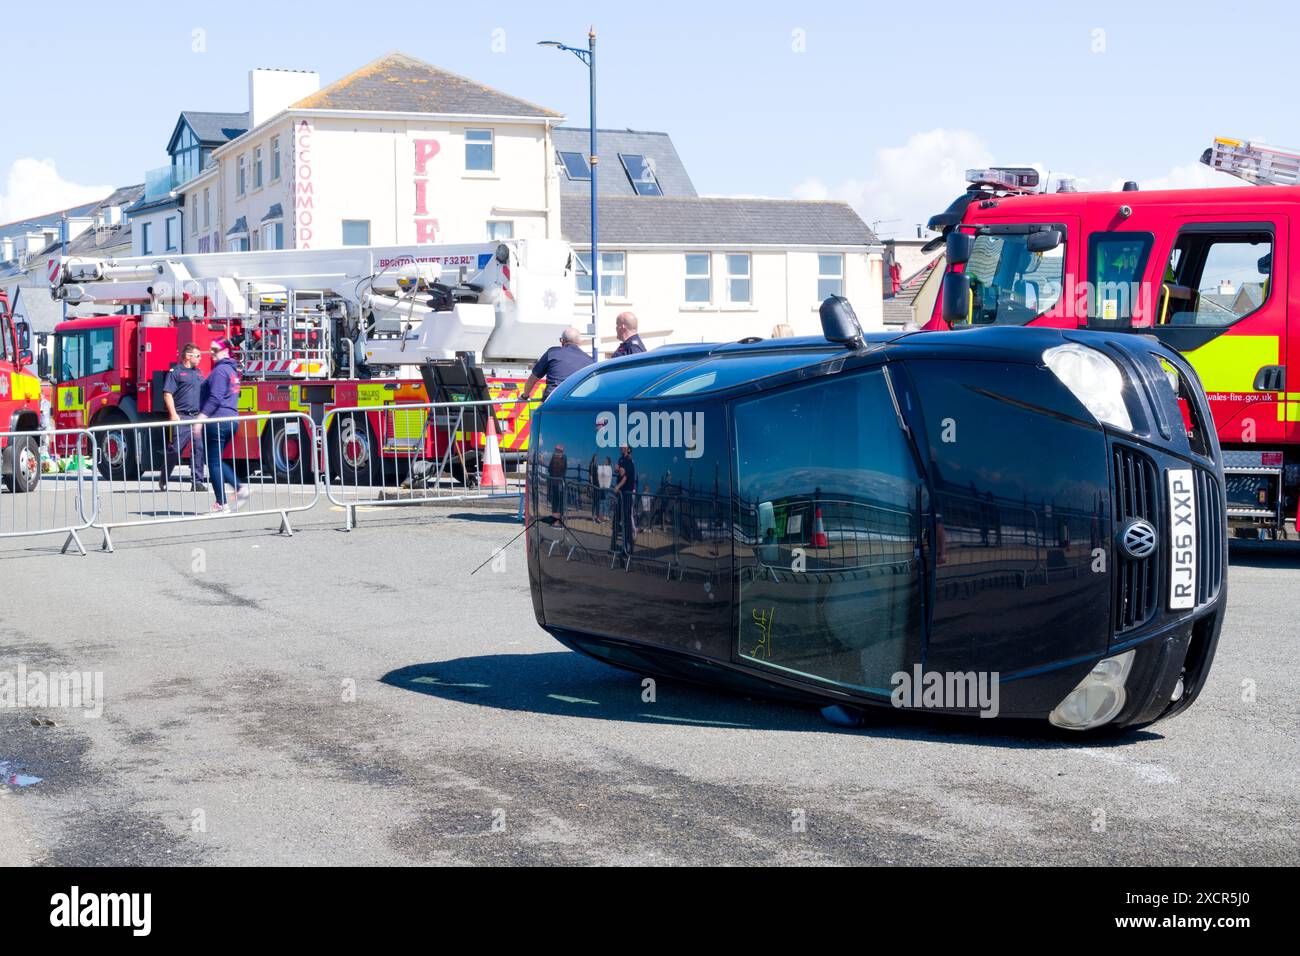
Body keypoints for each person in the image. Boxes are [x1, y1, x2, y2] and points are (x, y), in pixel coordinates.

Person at [198, 338, 249, 513]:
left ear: (225, 351)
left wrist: (201, 417)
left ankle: (224, 500)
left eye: (215, 350)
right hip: (230, 420)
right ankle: (233, 492)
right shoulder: (231, 371)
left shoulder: (220, 371)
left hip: (217, 420)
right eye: (211, 349)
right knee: (215, 461)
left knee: (213, 462)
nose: (212, 353)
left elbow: (216, 397)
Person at [160, 343, 207, 491]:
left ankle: (197, 482)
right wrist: (173, 414)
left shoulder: (198, 373)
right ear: (188, 356)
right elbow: (167, 393)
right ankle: (164, 477)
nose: (200, 358)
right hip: (182, 417)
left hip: (196, 417)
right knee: (175, 449)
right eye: (197, 355)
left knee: (198, 449)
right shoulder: (176, 372)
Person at [523, 327, 594, 400]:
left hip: (553, 400)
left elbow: (532, 379)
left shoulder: (552, 353)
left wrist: (525, 396)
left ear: (561, 340)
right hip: (578, 402)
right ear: (579, 342)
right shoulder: (590, 361)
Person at [609, 444, 637, 561]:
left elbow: (625, 477)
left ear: (629, 450)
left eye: (624, 447)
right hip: (621, 494)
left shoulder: (630, 463)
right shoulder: (621, 459)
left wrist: (617, 487)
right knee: (617, 519)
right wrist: (618, 469)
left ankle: (628, 547)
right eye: (621, 447)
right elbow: (617, 469)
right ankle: (613, 545)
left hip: (627, 494)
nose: (622, 448)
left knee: (626, 521)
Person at [547, 444, 568, 521]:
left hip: (556, 482)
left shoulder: (555, 457)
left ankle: (557, 515)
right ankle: (558, 516)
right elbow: (565, 469)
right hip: (559, 482)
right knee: (558, 499)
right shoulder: (561, 458)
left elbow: (550, 469)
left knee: (557, 499)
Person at [597, 456, 613, 522]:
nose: (605, 461)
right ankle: (601, 515)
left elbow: (606, 475)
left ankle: (606, 515)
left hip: (606, 486)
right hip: (602, 486)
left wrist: (602, 468)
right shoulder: (606, 468)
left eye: (606, 460)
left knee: (605, 501)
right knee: (602, 501)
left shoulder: (609, 468)